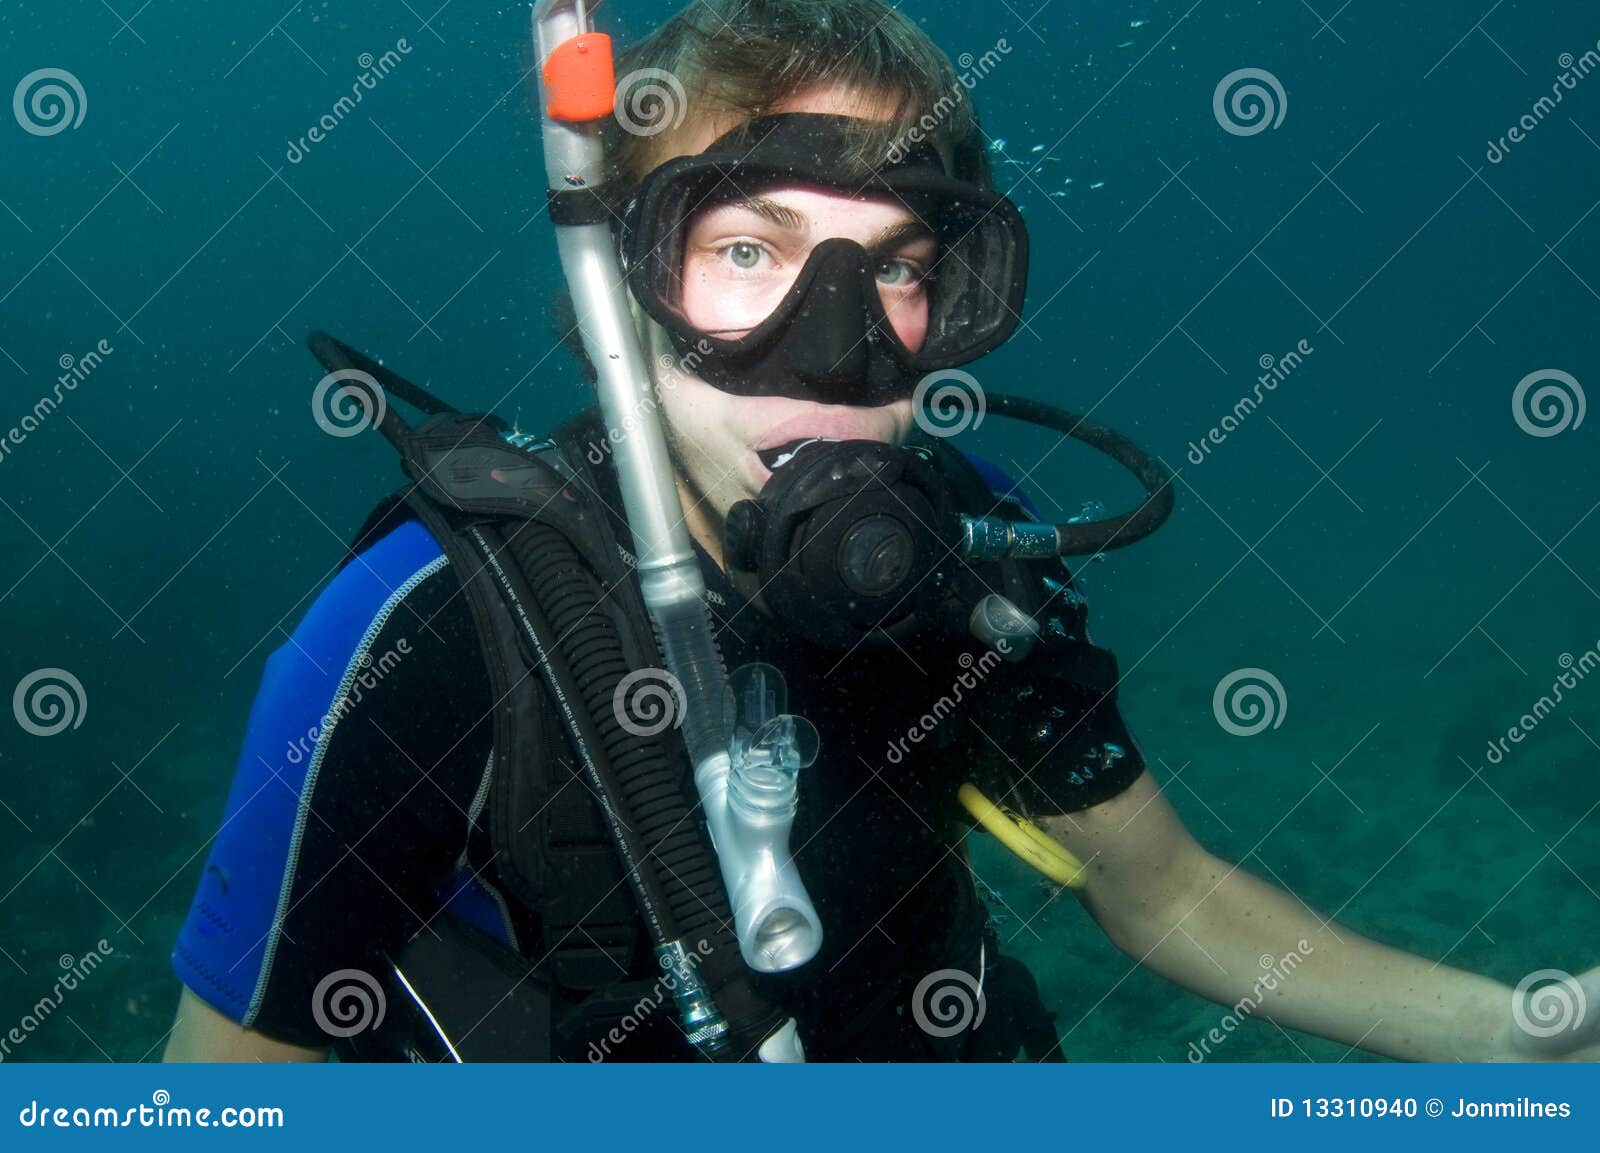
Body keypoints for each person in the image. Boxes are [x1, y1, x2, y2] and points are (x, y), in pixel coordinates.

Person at [163, 0, 1598, 1063]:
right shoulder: (423, 636)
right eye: (748, 251)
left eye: (902, 268)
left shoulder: (977, 553)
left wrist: (1505, 1032)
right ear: (622, 294)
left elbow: (1158, 887)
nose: (840, 348)